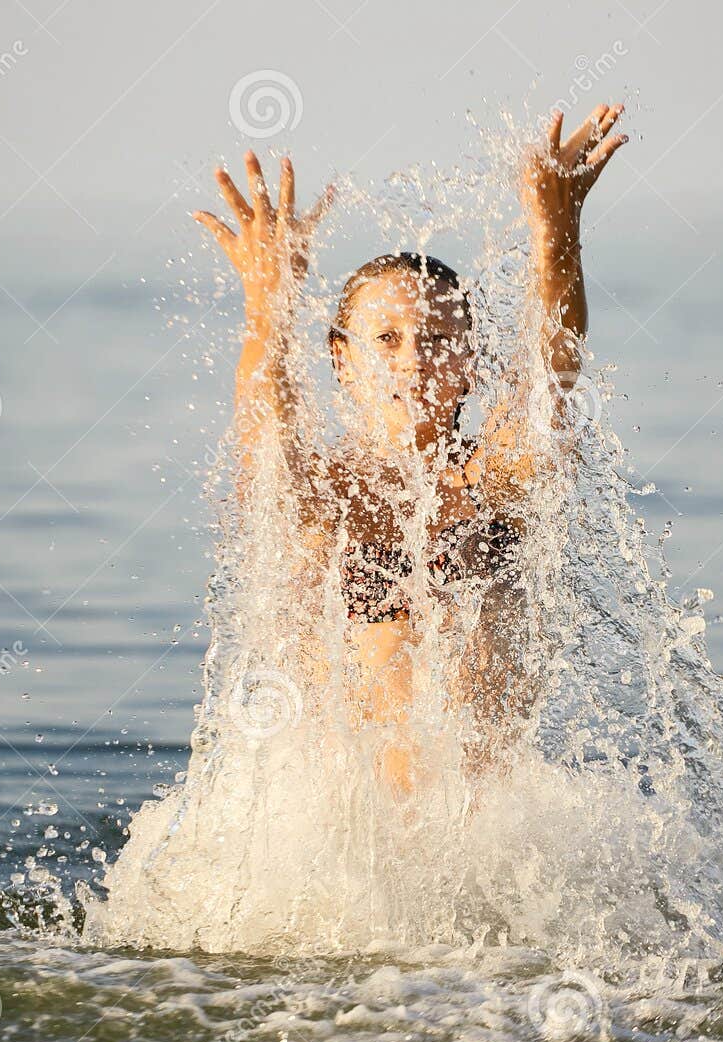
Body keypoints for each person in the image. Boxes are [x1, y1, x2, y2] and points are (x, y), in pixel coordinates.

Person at [191, 104, 627, 795]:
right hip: (347, 838)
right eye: (386, 338)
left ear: (475, 361)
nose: (414, 361)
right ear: (341, 359)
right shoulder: (325, 494)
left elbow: (552, 380)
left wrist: (556, 236)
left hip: (481, 833)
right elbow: (268, 442)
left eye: (439, 339)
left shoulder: (498, 480)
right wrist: (267, 306)